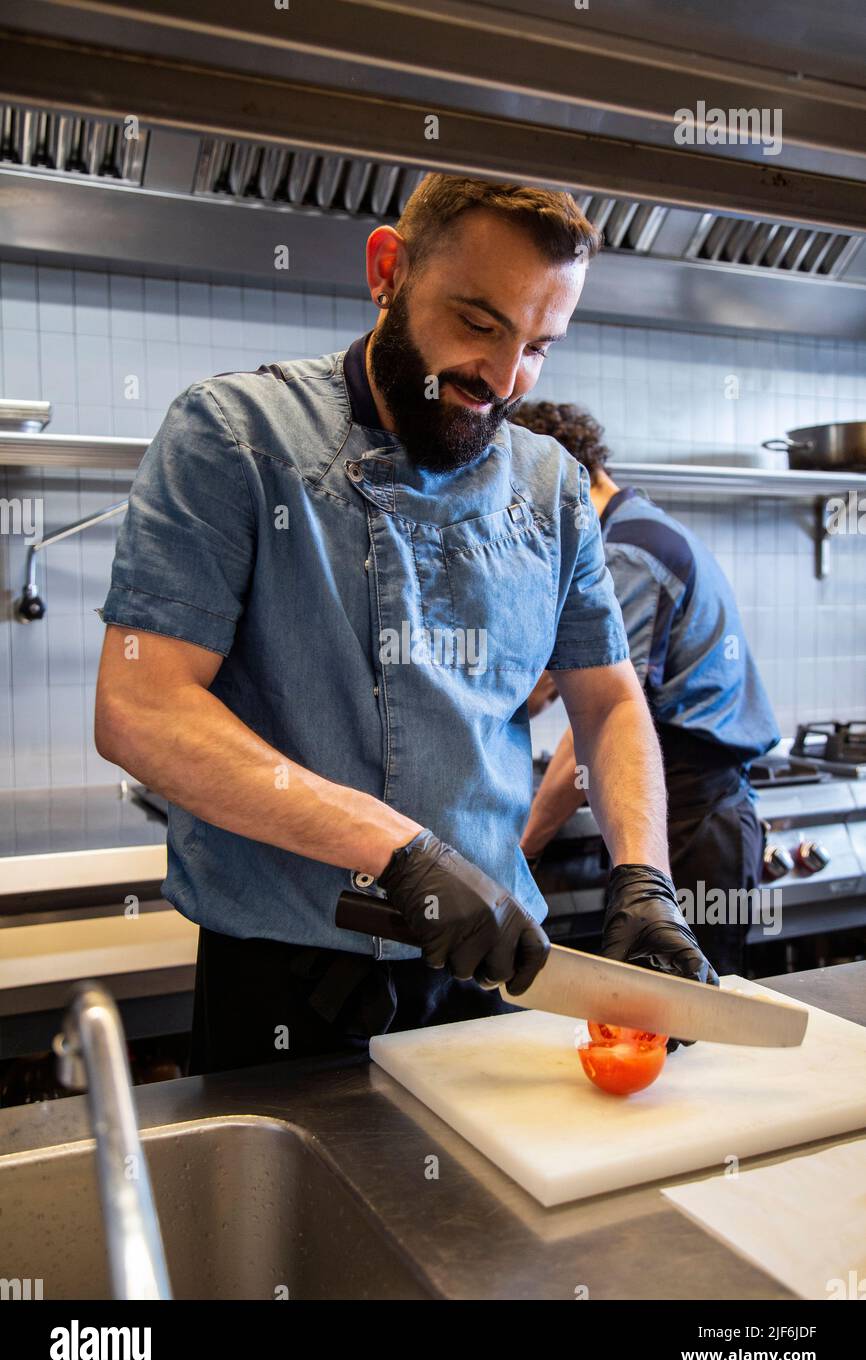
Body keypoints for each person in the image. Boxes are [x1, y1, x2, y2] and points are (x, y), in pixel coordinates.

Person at [95, 176, 717, 1077]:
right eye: (479, 323)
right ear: (388, 271)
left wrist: (644, 878)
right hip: (284, 986)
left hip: (491, 984)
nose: (504, 382)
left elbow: (611, 700)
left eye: (540, 348)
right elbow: (140, 707)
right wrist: (399, 852)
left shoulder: (552, 488)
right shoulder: (233, 438)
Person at [514, 400, 780, 976]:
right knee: (667, 1016)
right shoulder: (640, 528)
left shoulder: (626, 552)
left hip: (692, 816)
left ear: (557, 474)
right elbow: (563, 681)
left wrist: (523, 847)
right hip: (692, 803)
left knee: (689, 1018)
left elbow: (604, 713)